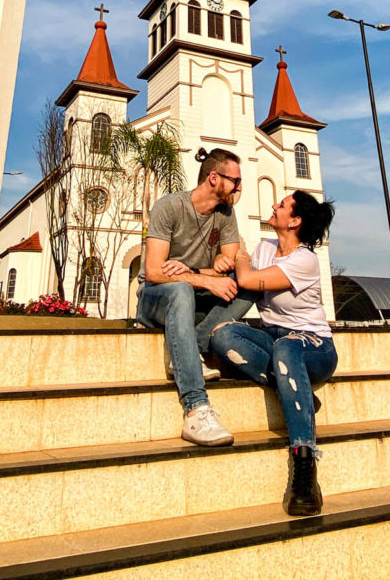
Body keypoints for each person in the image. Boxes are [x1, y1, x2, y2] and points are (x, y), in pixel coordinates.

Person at [210, 190, 336, 516]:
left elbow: (248, 277)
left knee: (287, 346)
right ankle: (295, 389)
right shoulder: (267, 248)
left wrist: (238, 253)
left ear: (294, 221)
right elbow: (239, 270)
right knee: (223, 335)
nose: (273, 206)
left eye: (281, 205)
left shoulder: (304, 260)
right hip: (275, 341)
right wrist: (225, 260)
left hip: (314, 346)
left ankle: (305, 466)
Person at [136, 147, 254, 447]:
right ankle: (195, 408)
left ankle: (190, 347)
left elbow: (227, 264)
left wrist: (192, 270)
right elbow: (153, 272)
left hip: (192, 293)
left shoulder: (226, 214)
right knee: (179, 288)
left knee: (247, 286)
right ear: (214, 178)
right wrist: (201, 277)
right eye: (235, 181)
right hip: (155, 298)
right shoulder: (169, 207)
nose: (239, 188)